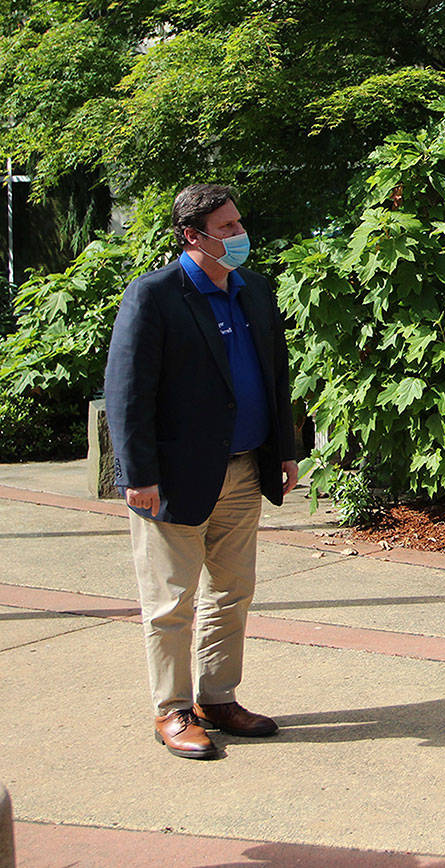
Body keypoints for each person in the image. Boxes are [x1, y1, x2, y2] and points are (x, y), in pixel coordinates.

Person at [105, 184, 298, 760]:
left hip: (243, 470)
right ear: (192, 236)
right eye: (228, 228)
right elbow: (128, 394)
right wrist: (138, 475)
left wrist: (283, 450)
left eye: (240, 224)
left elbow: (274, 376)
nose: (240, 236)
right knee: (170, 603)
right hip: (175, 478)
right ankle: (172, 710)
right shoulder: (154, 296)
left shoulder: (255, 292)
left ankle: (218, 698)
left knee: (232, 592)